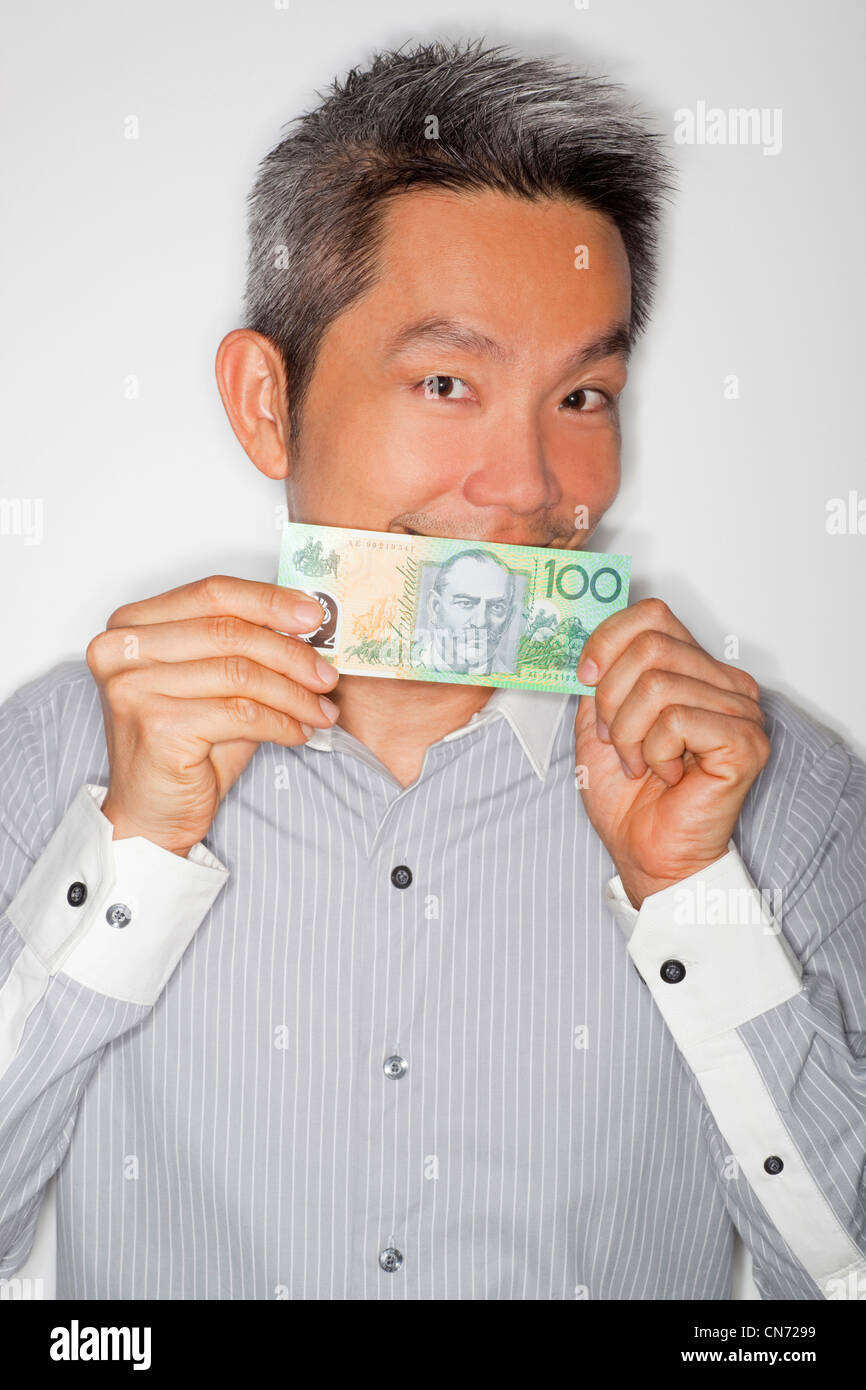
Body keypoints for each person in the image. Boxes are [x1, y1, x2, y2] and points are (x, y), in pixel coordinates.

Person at [1, 39, 863, 1301]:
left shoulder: (781, 794)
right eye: (447, 381)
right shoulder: (47, 762)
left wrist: (695, 904)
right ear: (266, 403)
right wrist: (129, 858)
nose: (527, 487)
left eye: (581, 395)